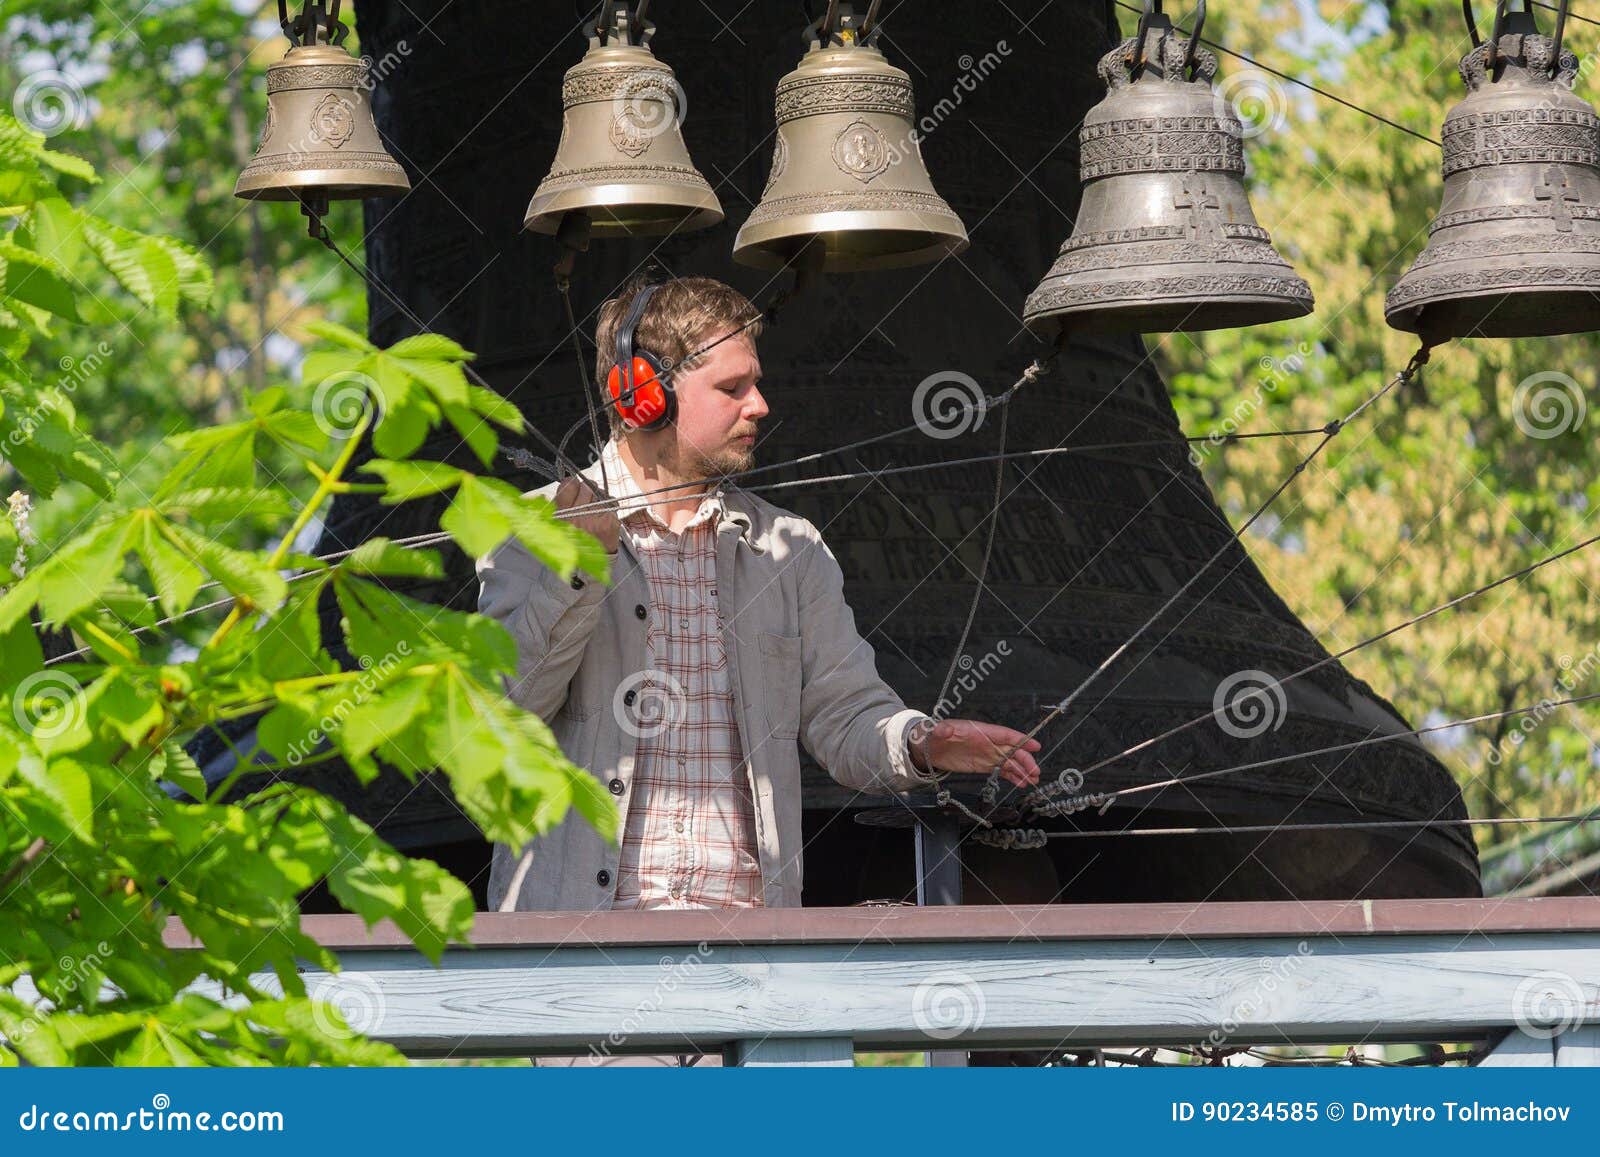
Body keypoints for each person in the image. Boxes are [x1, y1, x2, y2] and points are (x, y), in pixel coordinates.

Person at [476, 273, 1042, 916]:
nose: (760, 405)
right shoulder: (528, 530)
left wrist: (921, 743)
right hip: (580, 948)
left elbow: (846, 715)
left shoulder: (789, 549)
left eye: (756, 383)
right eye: (732, 388)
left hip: (750, 951)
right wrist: (580, 566)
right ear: (642, 395)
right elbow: (505, 712)